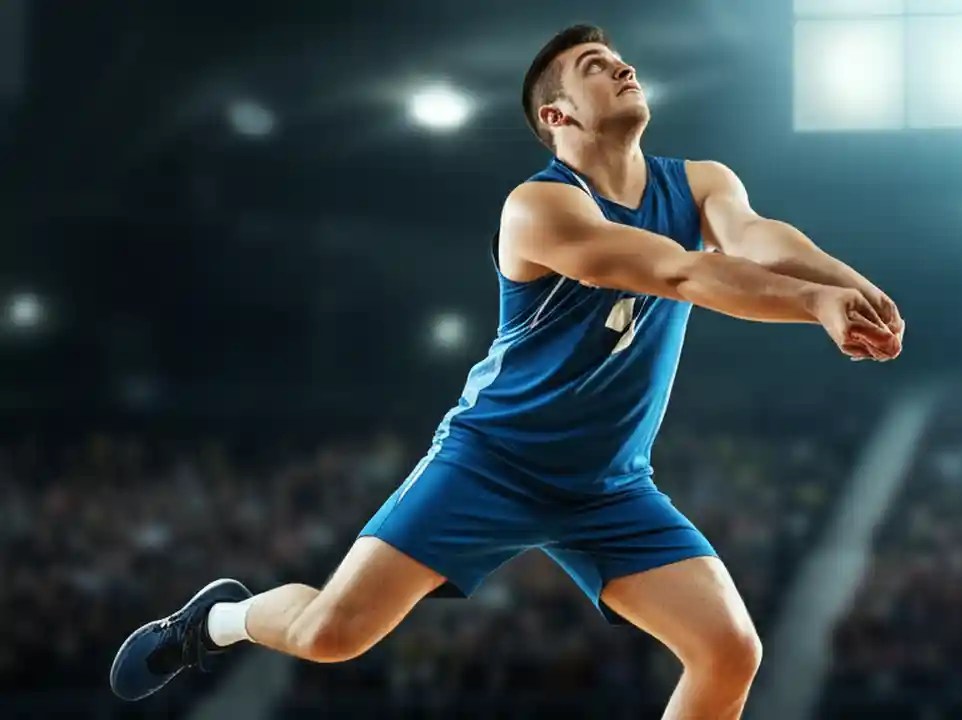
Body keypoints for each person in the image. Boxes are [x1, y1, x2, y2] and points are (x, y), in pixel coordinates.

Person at [109, 24, 904, 718]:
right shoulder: (538, 207)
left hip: (610, 485)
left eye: (621, 58)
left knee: (730, 651)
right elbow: (677, 274)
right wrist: (813, 306)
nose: (623, 67)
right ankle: (216, 622)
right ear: (557, 116)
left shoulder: (700, 182)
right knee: (331, 635)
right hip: (493, 462)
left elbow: (756, 236)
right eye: (597, 65)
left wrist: (853, 290)